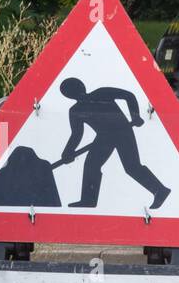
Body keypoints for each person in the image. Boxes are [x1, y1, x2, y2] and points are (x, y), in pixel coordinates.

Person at [53, 78, 171, 209]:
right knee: (91, 166)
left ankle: (160, 190)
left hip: (122, 131)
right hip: (104, 137)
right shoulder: (75, 110)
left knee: (132, 167)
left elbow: (129, 96)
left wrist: (135, 115)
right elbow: (76, 134)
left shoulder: (101, 93)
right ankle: (88, 200)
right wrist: (68, 152)